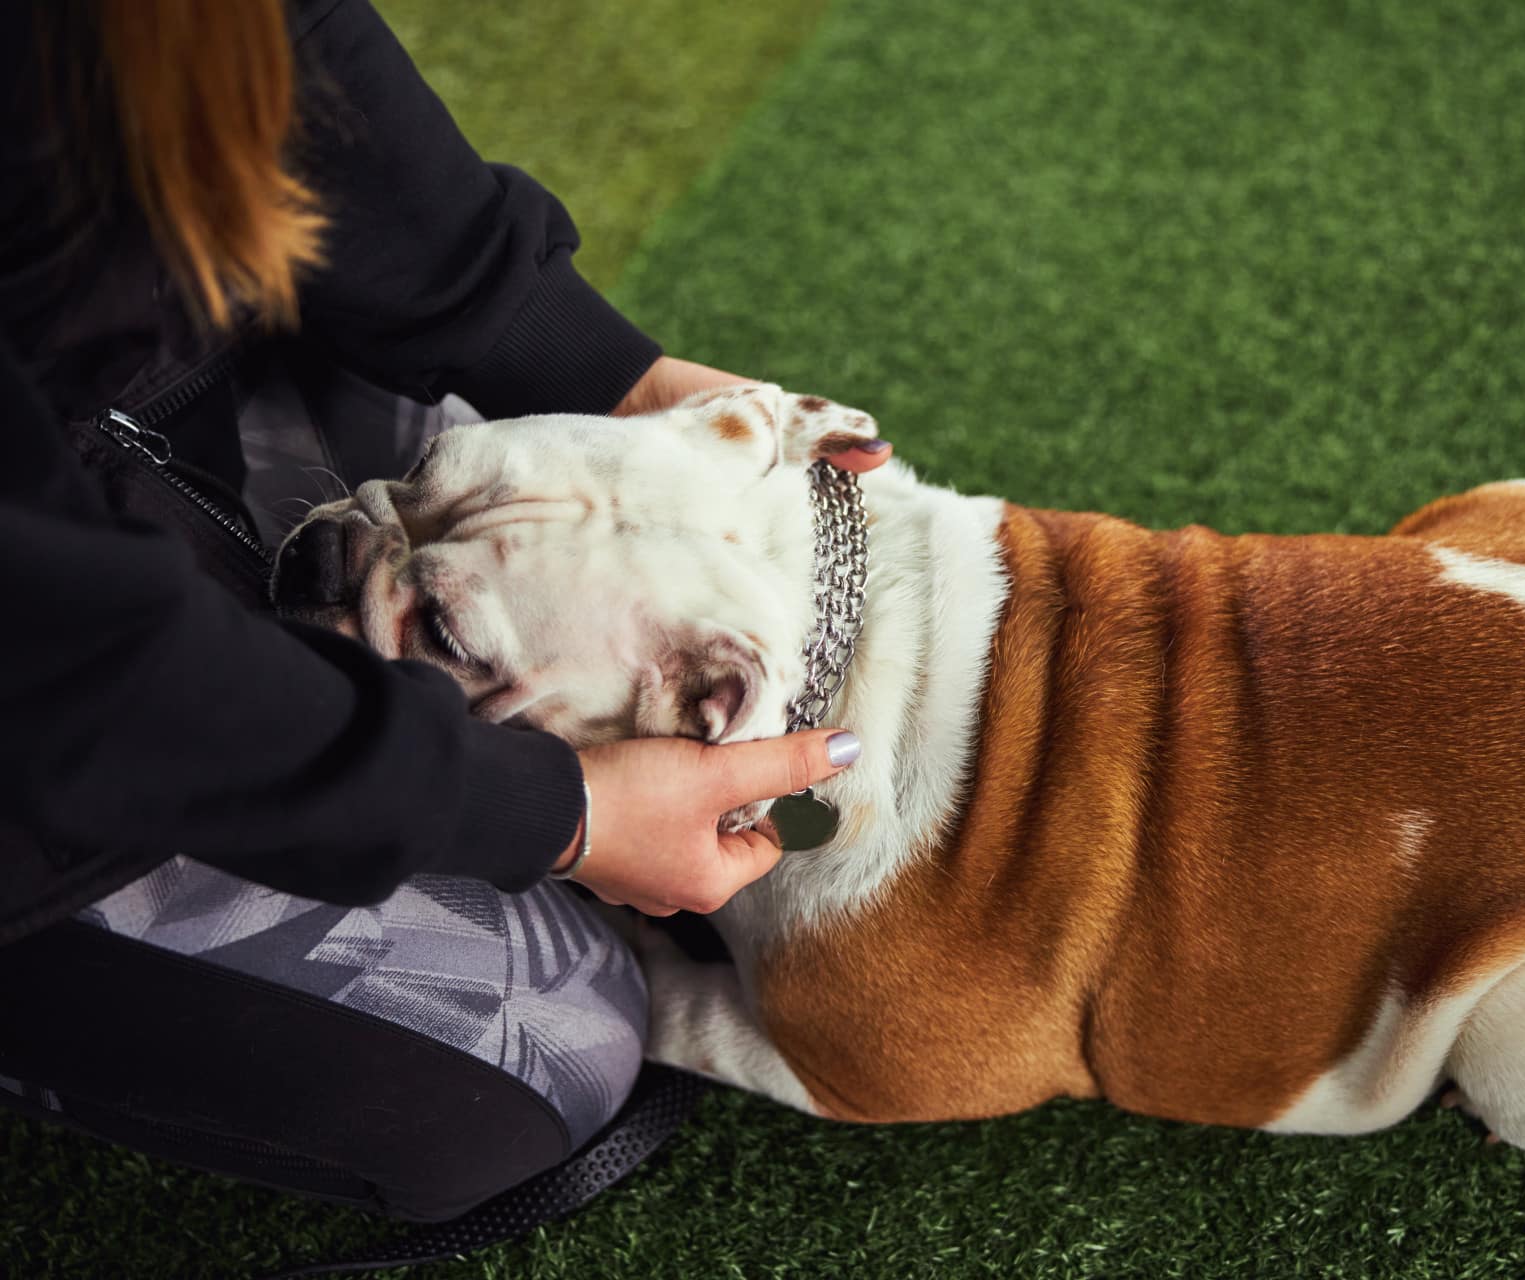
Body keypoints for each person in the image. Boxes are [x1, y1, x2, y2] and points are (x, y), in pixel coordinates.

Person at [0, 0, 885, 1221]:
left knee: (473, 464)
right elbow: (86, 673)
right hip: (43, 707)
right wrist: (555, 813)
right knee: (552, 1050)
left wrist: (587, 363)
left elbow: (267, 33)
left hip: (129, 378)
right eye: (444, 632)